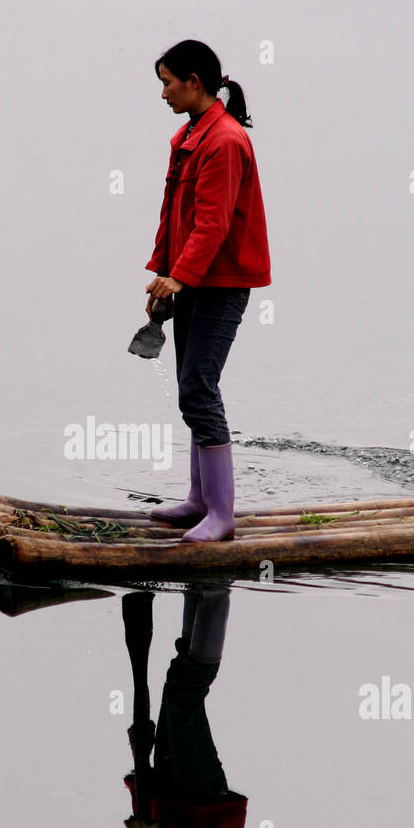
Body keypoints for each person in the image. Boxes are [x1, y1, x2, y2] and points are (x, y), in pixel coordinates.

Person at [145, 39, 272, 542]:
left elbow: (214, 222)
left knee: (200, 388)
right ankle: (200, 498)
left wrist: (182, 275)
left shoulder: (224, 141)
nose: (163, 94)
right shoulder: (190, 135)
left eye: (167, 83)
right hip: (195, 278)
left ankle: (221, 513)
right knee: (189, 389)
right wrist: (163, 274)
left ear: (194, 82)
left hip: (222, 282)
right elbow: (174, 217)